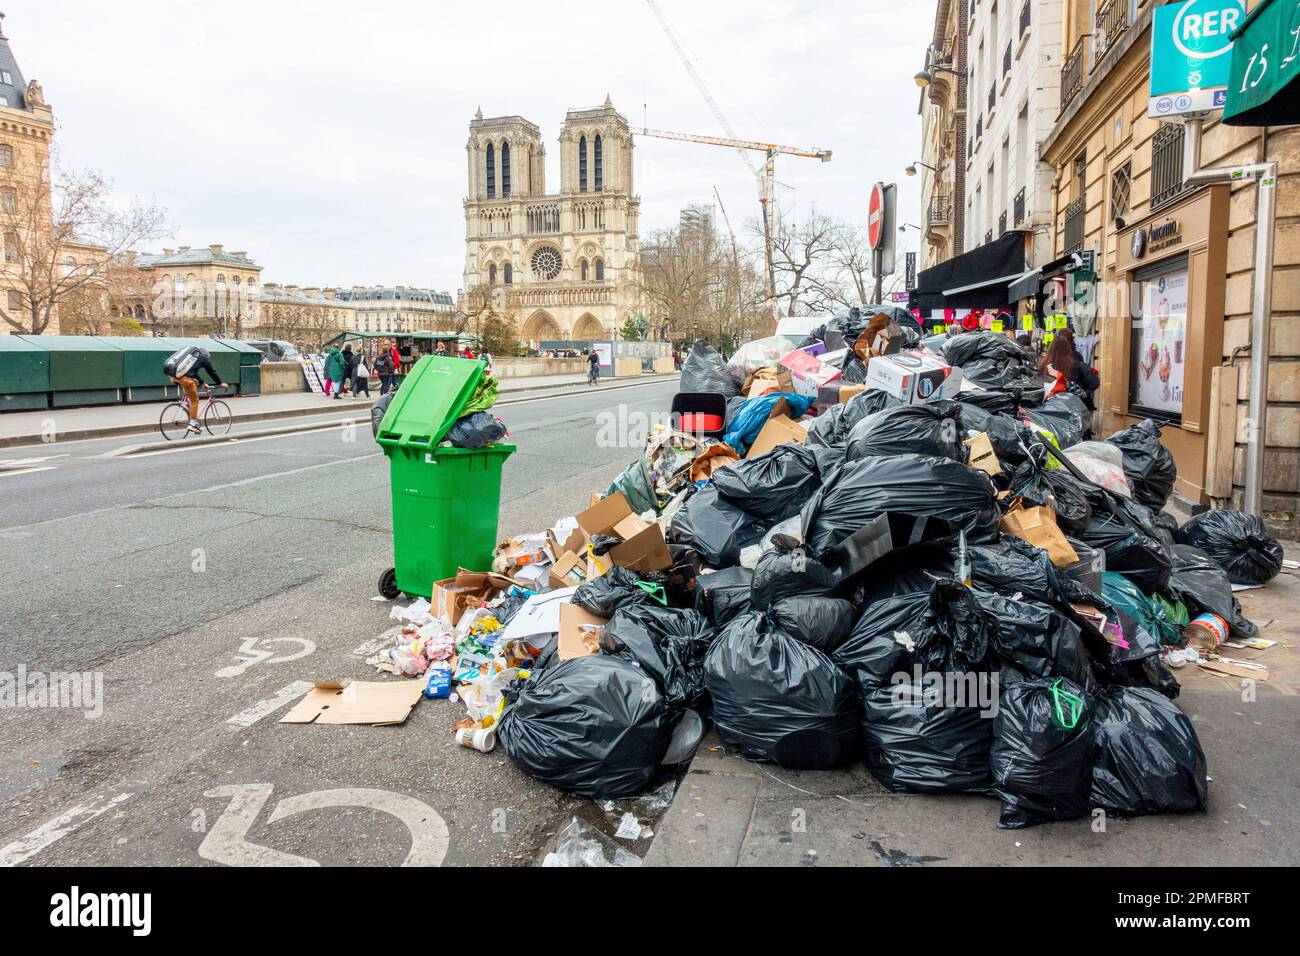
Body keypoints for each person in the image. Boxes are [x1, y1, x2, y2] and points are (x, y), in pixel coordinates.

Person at [163, 345, 225, 434]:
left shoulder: (193, 356)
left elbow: (193, 373)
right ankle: (192, 424)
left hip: (173, 377)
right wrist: (220, 383)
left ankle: (188, 407)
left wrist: (202, 383)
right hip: (184, 379)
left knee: (194, 382)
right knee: (195, 400)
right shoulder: (204, 358)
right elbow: (212, 372)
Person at [1039, 333, 1100, 408]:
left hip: (1049, 405)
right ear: (1068, 348)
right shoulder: (1076, 364)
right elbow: (1093, 383)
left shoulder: (1043, 364)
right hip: (1074, 405)